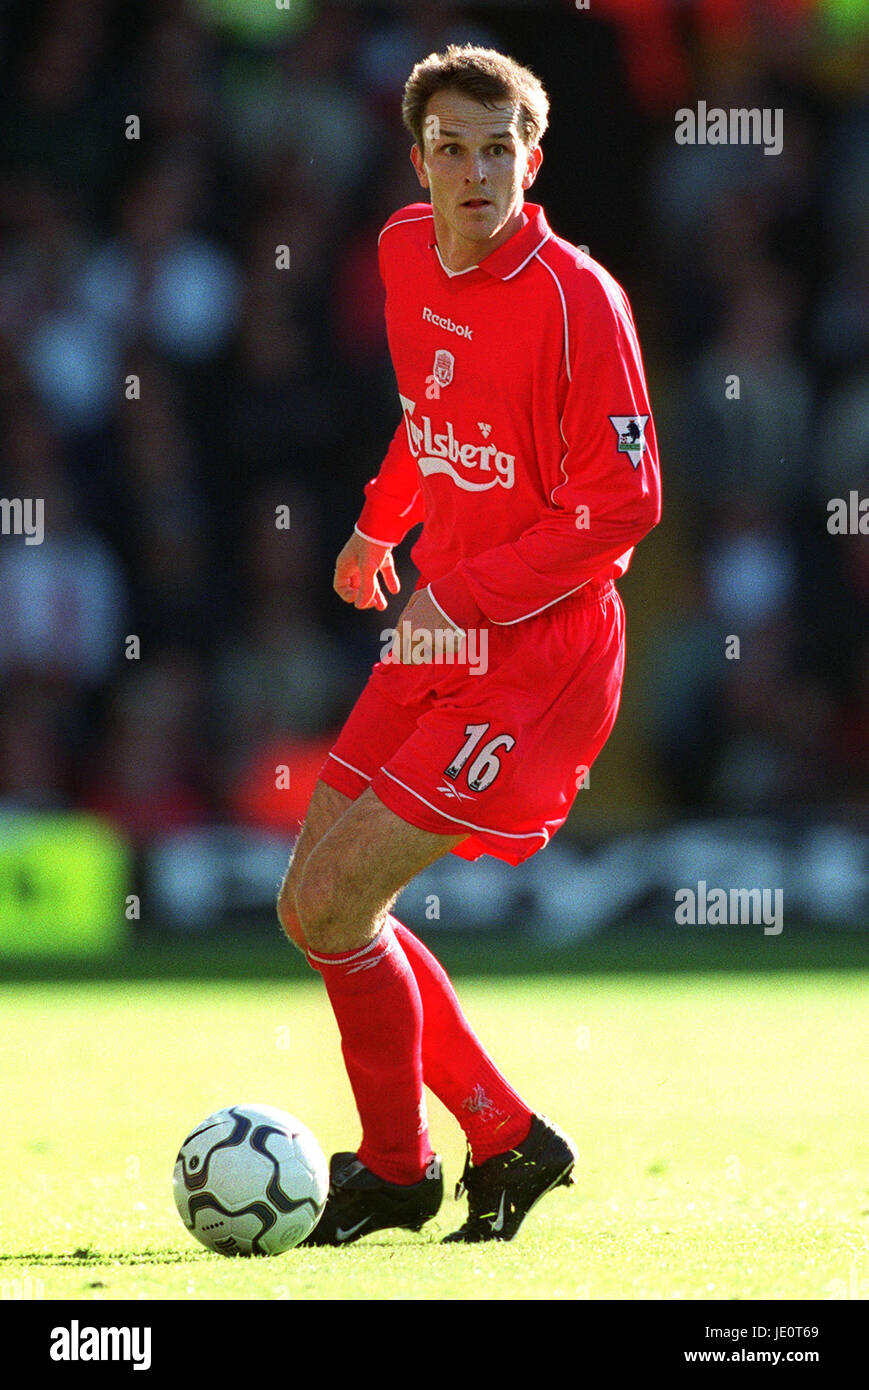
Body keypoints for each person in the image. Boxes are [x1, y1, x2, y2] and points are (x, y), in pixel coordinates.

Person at [277, 44, 661, 1244]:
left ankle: (405, 1164)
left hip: (540, 659)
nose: (477, 170)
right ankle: (485, 1143)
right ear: (420, 162)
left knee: (339, 900)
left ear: (531, 161)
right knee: (311, 901)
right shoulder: (401, 252)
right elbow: (430, 417)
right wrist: (376, 525)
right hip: (441, 627)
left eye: (499, 149)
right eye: (453, 148)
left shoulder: (577, 297)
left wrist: (471, 593)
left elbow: (623, 505)